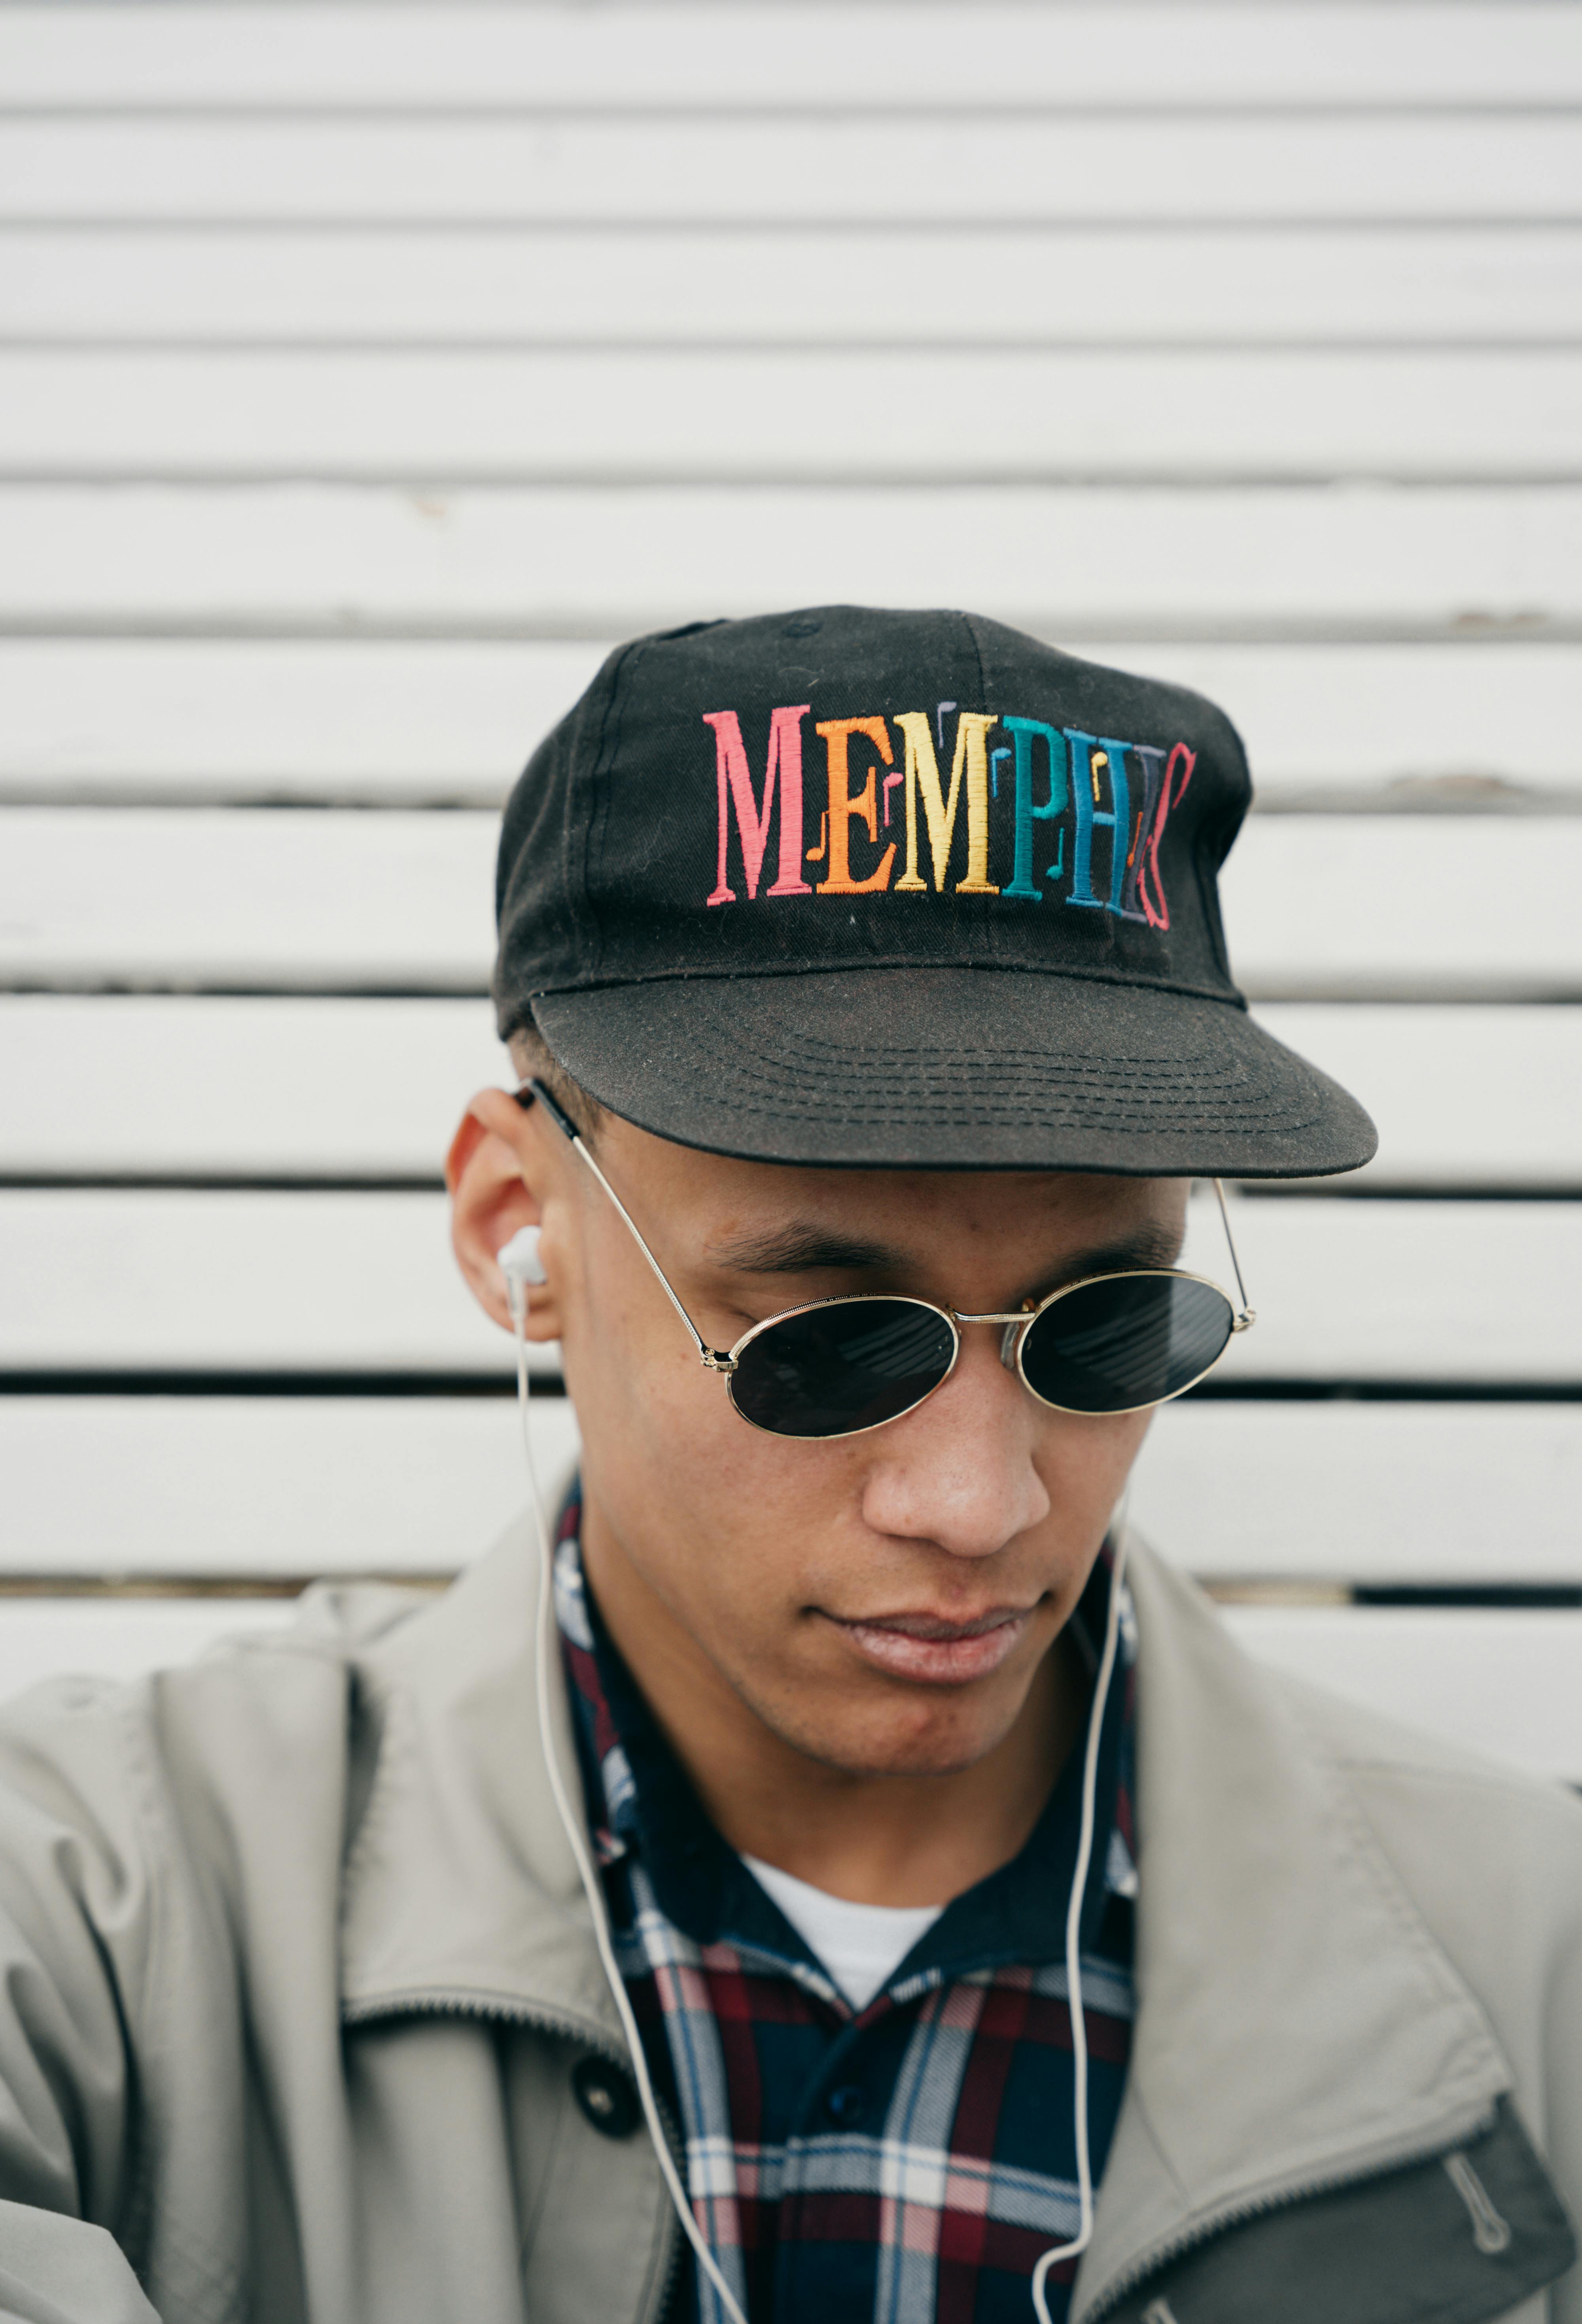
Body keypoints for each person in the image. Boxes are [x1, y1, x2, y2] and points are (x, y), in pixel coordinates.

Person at [0, 606, 1575, 2324]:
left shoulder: (1534, 1963)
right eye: (827, 1341)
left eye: (1107, 1326)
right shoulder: (101, 1905)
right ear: (518, 1227)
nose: (981, 1505)